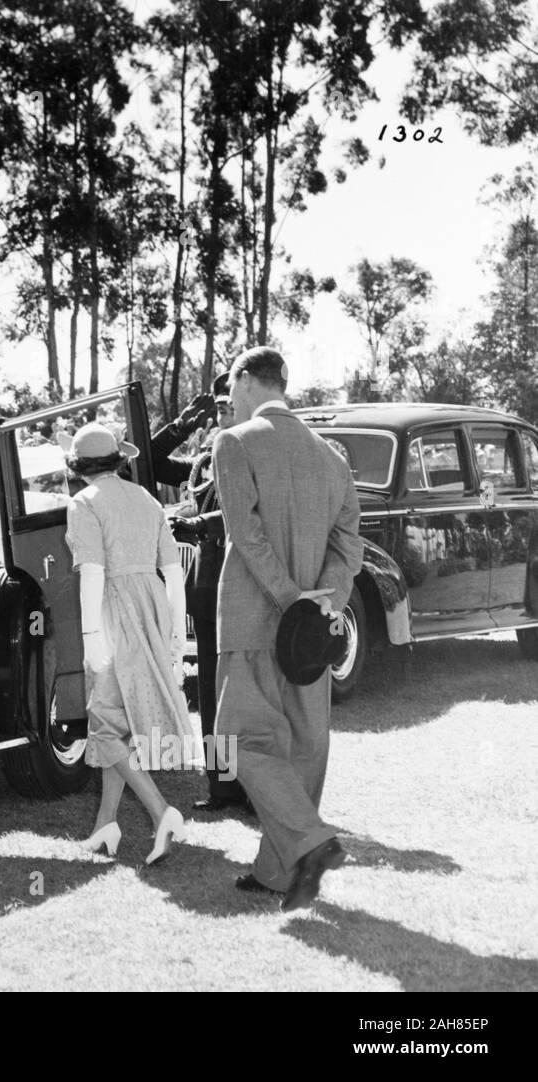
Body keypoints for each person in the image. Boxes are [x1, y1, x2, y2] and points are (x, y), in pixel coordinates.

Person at [212, 347, 363, 910]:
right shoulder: (332, 456)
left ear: (249, 380)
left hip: (257, 617)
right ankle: (280, 872)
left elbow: (244, 534)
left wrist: (290, 600)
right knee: (305, 745)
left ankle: (311, 844)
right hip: (314, 630)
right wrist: (320, 604)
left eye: (231, 384)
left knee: (242, 741)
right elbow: (350, 546)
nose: (228, 397)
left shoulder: (234, 441)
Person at [65, 423, 191, 865]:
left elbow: (93, 573)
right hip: (152, 606)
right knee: (117, 721)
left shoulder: (84, 503)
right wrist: (176, 633)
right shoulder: (147, 498)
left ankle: (162, 812)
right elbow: (174, 572)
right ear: (118, 460)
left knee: (102, 721)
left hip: (115, 610)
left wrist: (90, 636)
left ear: (78, 466)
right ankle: (106, 822)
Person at [156, 373, 252, 813]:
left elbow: (250, 515)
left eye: (229, 403)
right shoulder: (209, 459)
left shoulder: (256, 451)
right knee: (212, 694)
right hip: (210, 588)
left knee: (247, 693)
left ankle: (255, 786)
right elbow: (153, 463)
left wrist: (197, 525)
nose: (222, 412)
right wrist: (180, 426)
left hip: (248, 589)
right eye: (218, 406)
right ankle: (222, 786)